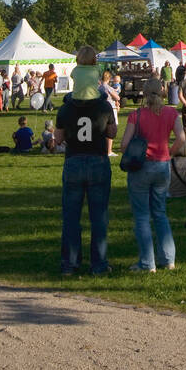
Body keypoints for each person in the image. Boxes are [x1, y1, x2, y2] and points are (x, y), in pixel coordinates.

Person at [121, 77, 186, 272]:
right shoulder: (171, 113)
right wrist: (170, 152)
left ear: (144, 93)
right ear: (163, 91)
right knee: (160, 213)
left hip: (141, 166)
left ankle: (147, 262)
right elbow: (182, 138)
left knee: (142, 216)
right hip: (162, 165)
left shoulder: (137, 115)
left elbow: (124, 145)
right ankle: (168, 259)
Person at [54, 77, 117, 275]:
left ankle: (69, 264)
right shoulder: (104, 106)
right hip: (97, 159)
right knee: (98, 217)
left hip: (74, 159)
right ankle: (98, 264)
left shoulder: (65, 108)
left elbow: (58, 138)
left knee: (71, 217)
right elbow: (113, 133)